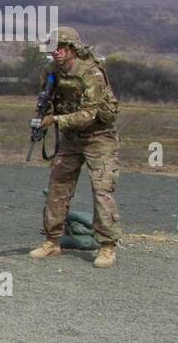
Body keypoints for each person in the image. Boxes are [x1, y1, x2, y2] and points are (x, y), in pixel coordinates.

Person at [29, 26, 121, 268]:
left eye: (61, 47)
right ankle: (52, 241)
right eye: (53, 48)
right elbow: (46, 101)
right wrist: (43, 116)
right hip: (71, 138)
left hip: (99, 137)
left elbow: (88, 115)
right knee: (58, 185)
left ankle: (107, 246)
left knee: (102, 190)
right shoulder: (51, 73)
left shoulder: (91, 73)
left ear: (72, 48)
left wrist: (55, 120)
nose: (56, 52)